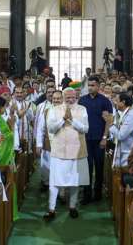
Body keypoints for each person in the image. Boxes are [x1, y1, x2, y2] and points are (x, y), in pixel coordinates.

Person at [44, 88, 89, 220]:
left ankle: (72, 207)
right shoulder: (54, 110)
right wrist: (63, 119)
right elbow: (51, 129)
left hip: (77, 150)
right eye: (68, 97)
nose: (70, 100)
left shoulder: (82, 109)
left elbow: (85, 129)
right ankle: (51, 209)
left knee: (75, 181)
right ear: (63, 97)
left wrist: (72, 120)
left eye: (73, 97)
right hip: (59, 151)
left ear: (76, 97)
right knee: (55, 181)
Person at [78, 76, 112, 203]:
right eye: (89, 85)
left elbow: (109, 121)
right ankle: (86, 195)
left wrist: (104, 137)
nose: (90, 87)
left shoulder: (105, 101)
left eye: (93, 85)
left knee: (99, 166)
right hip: (86, 139)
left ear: (98, 86)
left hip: (99, 139)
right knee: (87, 167)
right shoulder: (82, 100)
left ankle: (97, 194)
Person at [0, 96, 18, 219]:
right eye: (4, 107)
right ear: (0, 107)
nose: (4, 109)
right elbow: (6, 138)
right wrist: (12, 126)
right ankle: (8, 215)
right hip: (1, 156)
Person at [104, 93, 133, 168]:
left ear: (123, 102)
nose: (115, 103)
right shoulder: (127, 113)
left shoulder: (131, 115)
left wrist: (110, 124)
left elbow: (121, 136)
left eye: (117, 101)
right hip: (125, 151)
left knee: (127, 174)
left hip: (130, 153)